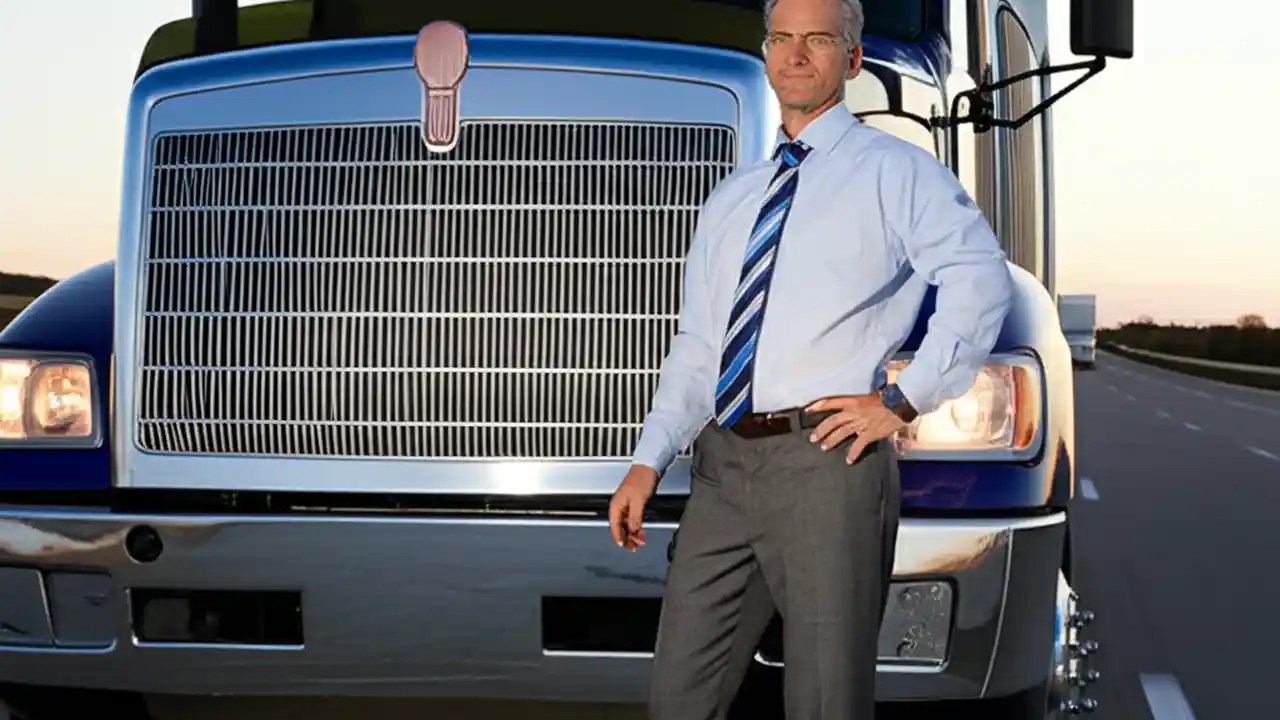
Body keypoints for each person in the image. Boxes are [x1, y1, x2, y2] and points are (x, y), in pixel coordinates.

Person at [607, 0, 1014, 716]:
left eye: (817, 40)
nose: (796, 55)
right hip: (722, 468)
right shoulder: (732, 199)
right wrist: (648, 459)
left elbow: (980, 276)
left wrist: (903, 399)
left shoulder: (897, 173)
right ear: (766, 55)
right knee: (678, 697)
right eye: (783, 39)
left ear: (852, 60)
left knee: (825, 701)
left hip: (825, 466)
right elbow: (701, 345)